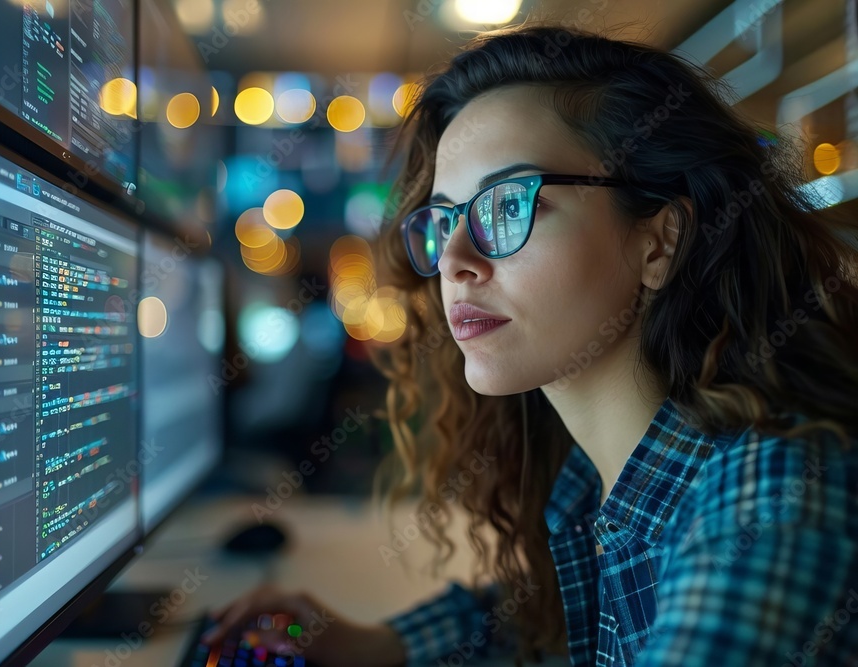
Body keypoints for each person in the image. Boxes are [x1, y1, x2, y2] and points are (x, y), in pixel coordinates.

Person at [202, 22, 858, 667]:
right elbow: (552, 616)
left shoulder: (770, 498)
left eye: (508, 206)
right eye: (444, 219)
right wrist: (384, 645)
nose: (454, 260)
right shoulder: (595, 490)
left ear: (659, 242)